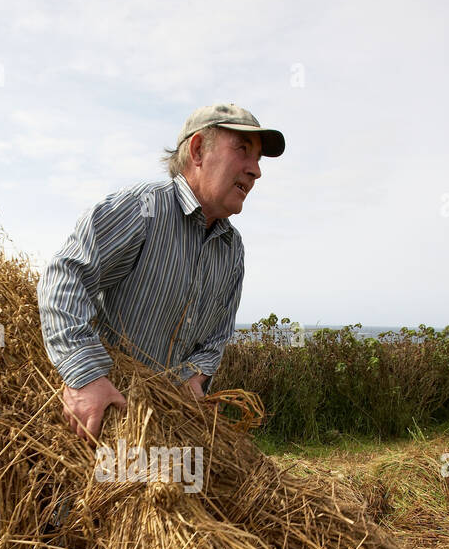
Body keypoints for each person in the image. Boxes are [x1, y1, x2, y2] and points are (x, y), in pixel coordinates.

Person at [37, 103, 285, 441]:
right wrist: (85, 375)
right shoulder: (143, 210)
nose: (255, 170)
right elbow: (66, 277)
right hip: (99, 421)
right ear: (198, 150)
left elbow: (216, 337)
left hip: (161, 430)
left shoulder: (231, 249)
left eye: (257, 160)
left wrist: (193, 379)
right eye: (243, 150)